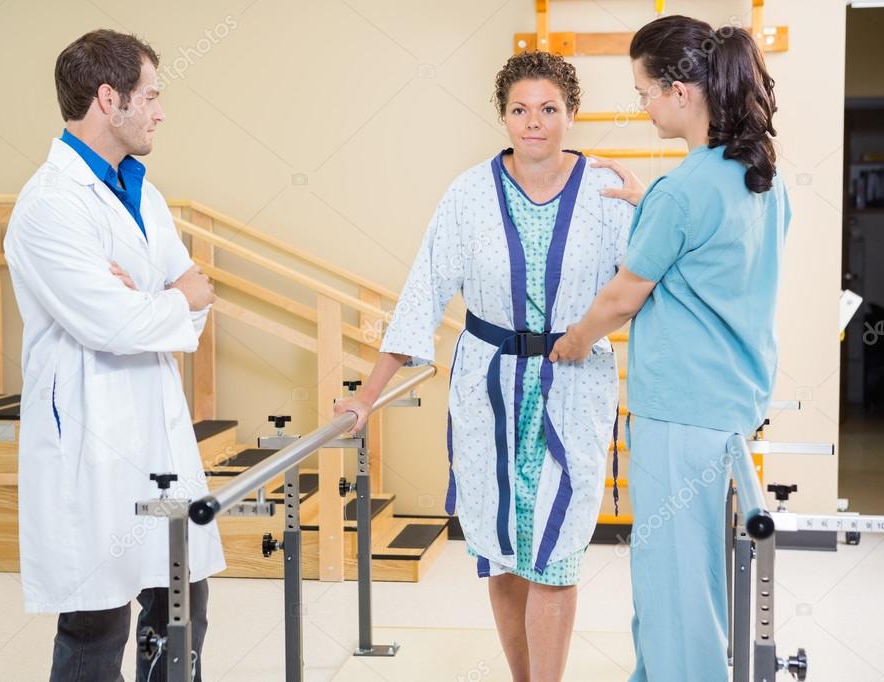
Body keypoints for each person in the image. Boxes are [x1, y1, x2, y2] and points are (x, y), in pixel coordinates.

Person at [335, 51, 634, 682]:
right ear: (502, 116)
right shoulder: (468, 194)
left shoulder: (609, 191)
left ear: (571, 114)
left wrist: (649, 199)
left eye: (549, 109)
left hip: (575, 387)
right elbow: (422, 294)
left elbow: (645, 284)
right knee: (502, 554)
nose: (535, 123)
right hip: (486, 390)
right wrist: (366, 395)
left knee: (554, 556)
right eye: (520, 110)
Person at [549, 15, 790, 682]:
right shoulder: (760, 178)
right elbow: (716, 263)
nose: (643, 106)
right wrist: (645, 199)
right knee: (693, 572)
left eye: (642, 92)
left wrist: (570, 344)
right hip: (730, 401)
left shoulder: (682, 190)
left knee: (673, 581)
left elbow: (621, 298)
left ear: (680, 91)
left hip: (679, 408)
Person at [4, 29, 225, 681]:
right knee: (97, 623)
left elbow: (200, 293)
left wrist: (160, 300)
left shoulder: (144, 195)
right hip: (91, 442)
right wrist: (166, 301)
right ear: (109, 98)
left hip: (157, 432)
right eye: (150, 95)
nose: (160, 111)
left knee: (183, 601)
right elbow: (111, 324)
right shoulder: (48, 206)